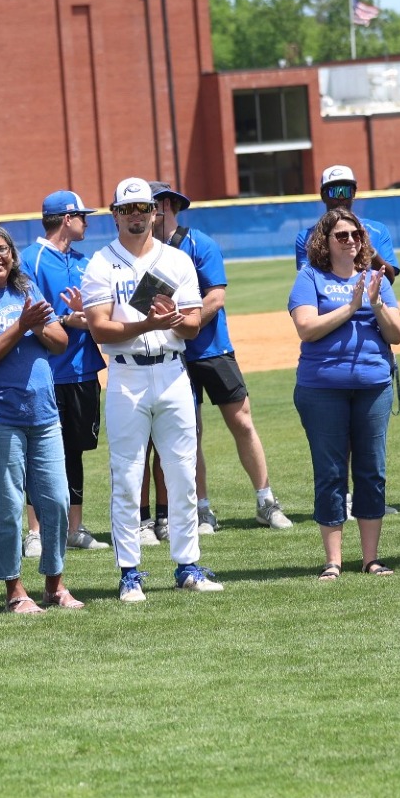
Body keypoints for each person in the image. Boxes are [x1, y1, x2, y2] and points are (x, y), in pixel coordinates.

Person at [78, 176, 224, 601]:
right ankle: (130, 572)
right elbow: (100, 329)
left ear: (155, 212)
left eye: (144, 208)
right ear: (115, 214)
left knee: (182, 472)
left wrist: (176, 320)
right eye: (128, 210)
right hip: (127, 376)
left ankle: (188, 565)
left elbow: (195, 323)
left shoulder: (176, 260)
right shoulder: (101, 263)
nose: (137, 216)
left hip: (173, 370)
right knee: (126, 475)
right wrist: (147, 322)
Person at [0, 223, 80, 613]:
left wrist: (38, 323)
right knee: (7, 507)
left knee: (55, 500)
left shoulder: (27, 289)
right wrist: (21, 326)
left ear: (12, 253)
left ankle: (54, 585)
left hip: (42, 415)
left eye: (2, 248)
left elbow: (59, 343)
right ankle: (14, 591)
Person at [154, 181, 293, 534]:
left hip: (212, 349)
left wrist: (187, 325)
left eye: (150, 205)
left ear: (168, 205)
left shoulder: (200, 243)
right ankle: (202, 510)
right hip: (173, 357)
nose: (144, 213)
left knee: (242, 422)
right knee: (190, 433)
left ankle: (266, 501)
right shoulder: (145, 254)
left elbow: (215, 297)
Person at [290, 210, 400, 579]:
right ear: (325, 242)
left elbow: (397, 333)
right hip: (321, 388)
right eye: (342, 236)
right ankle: (333, 561)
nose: (352, 240)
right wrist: (351, 307)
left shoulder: (376, 278)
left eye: (355, 234)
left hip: (373, 387)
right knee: (331, 472)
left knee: (372, 471)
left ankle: (371, 558)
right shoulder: (310, 277)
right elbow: (307, 328)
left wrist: (374, 303)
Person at [26, 192, 111, 553]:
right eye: (81, 215)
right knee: (39, 452)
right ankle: (35, 532)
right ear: (65, 218)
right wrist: (65, 319)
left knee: (74, 451)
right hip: (45, 372)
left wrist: (88, 318)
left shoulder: (86, 261)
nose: (86, 222)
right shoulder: (31, 259)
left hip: (82, 370)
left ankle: (73, 528)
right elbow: (25, 313)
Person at [294, 164, 399, 278]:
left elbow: (389, 278)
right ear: (323, 196)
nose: (340, 197)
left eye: (345, 191)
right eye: (334, 191)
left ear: (353, 194)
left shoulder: (378, 230)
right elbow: (306, 279)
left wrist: (368, 250)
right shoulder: (306, 237)